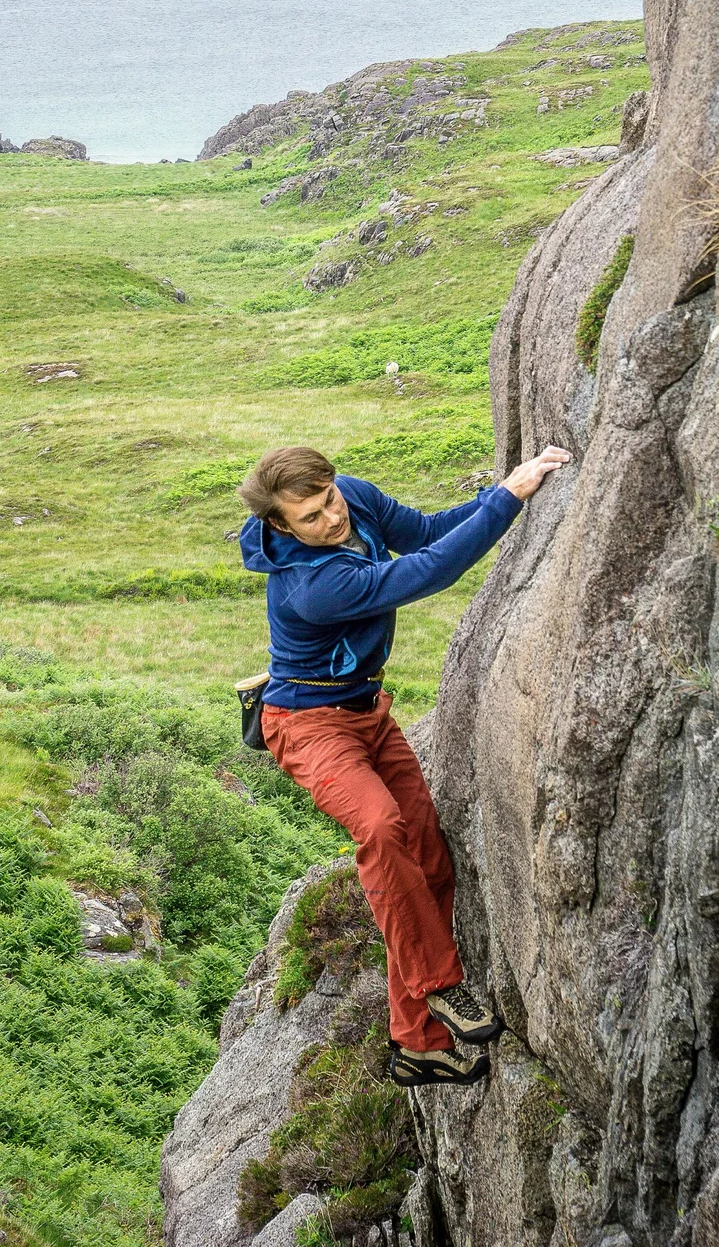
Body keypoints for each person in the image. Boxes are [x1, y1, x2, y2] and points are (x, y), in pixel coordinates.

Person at [237, 441, 570, 1086]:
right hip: (307, 726)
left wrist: (502, 491)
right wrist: (508, 499)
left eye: (330, 499)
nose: (332, 518)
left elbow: (424, 533)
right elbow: (427, 571)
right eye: (311, 517)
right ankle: (438, 983)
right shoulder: (313, 586)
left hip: (367, 713)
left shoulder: (353, 499)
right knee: (381, 828)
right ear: (281, 524)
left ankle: (418, 1045)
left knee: (428, 859)